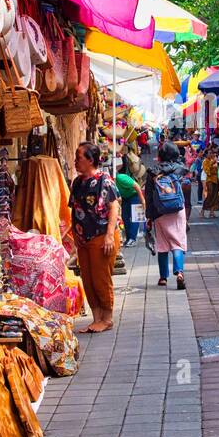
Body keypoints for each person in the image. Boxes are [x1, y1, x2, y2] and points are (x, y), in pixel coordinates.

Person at [69, 142, 122, 334]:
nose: (75, 161)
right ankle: (96, 318)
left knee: (101, 278)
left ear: (90, 160)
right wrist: (75, 236)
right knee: (88, 279)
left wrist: (109, 236)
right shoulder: (77, 183)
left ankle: (107, 319)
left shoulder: (104, 181)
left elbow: (113, 207)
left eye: (79, 158)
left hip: (101, 237)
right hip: (84, 239)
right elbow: (74, 210)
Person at [146, 141, 189, 290]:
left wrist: (149, 217)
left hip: (159, 211)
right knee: (178, 242)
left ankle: (163, 277)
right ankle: (179, 273)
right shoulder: (179, 168)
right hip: (177, 209)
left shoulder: (152, 171)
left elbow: (149, 197)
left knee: (162, 245)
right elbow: (185, 167)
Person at [115, 160, 147, 244]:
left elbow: (137, 186)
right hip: (125, 197)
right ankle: (129, 238)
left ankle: (132, 239)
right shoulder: (109, 182)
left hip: (134, 195)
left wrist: (142, 200)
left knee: (134, 216)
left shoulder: (121, 178)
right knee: (125, 216)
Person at [201, 148, 219, 218]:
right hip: (209, 180)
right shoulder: (205, 161)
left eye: (211, 153)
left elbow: (216, 171)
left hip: (215, 180)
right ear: (206, 154)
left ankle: (212, 212)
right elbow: (207, 171)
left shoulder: (214, 160)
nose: (211, 154)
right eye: (209, 153)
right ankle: (202, 211)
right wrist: (212, 163)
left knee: (215, 196)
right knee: (209, 196)